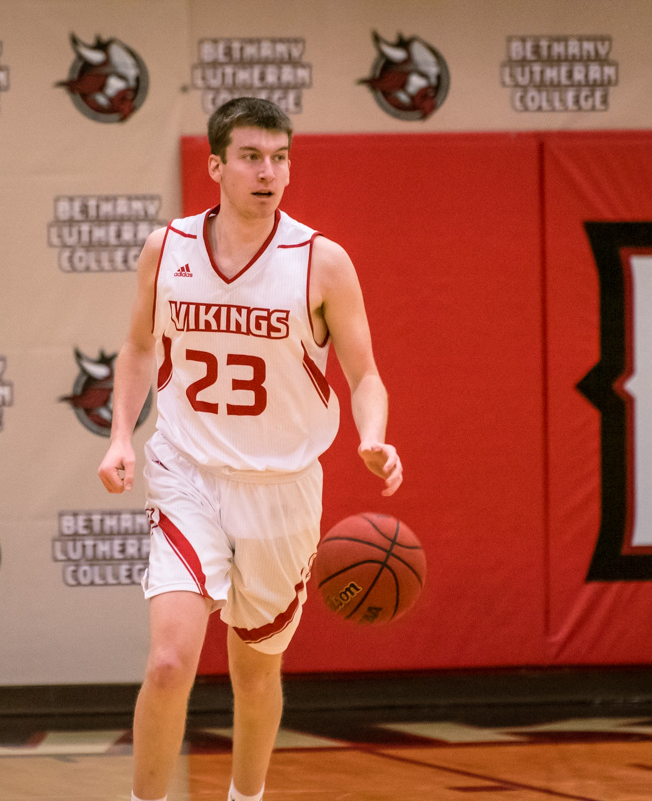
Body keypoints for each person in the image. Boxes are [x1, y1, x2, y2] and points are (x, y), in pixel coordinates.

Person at [98, 96, 402, 801]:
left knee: (255, 669)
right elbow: (140, 346)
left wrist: (374, 436)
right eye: (252, 157)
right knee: (171, 661)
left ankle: (246, 797)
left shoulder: (321, 263)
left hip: (281, 488)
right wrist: (121, 436)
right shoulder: (165, 249)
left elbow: (367, 377)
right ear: (216, 166)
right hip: (188, 471)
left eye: (281, 158)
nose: (269, 172)